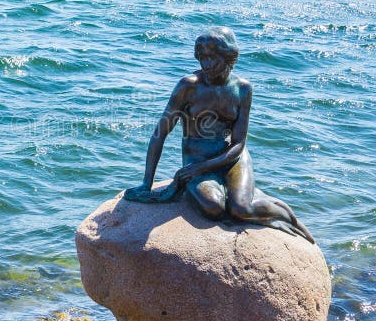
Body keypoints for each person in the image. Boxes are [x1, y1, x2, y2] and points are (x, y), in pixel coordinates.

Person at [124, 27, 314, 242]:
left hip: (231, 158)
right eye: (202, 58)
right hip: (197, 157)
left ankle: (286, 215)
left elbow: (239, 143)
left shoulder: (242, 89)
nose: (206, 65)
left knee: (241, 209)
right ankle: (235, 193)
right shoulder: (189, 86)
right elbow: (160, 134)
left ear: (228, 56)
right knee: (213, 208)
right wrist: (147, 184)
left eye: (212, 58)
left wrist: (200, 169)